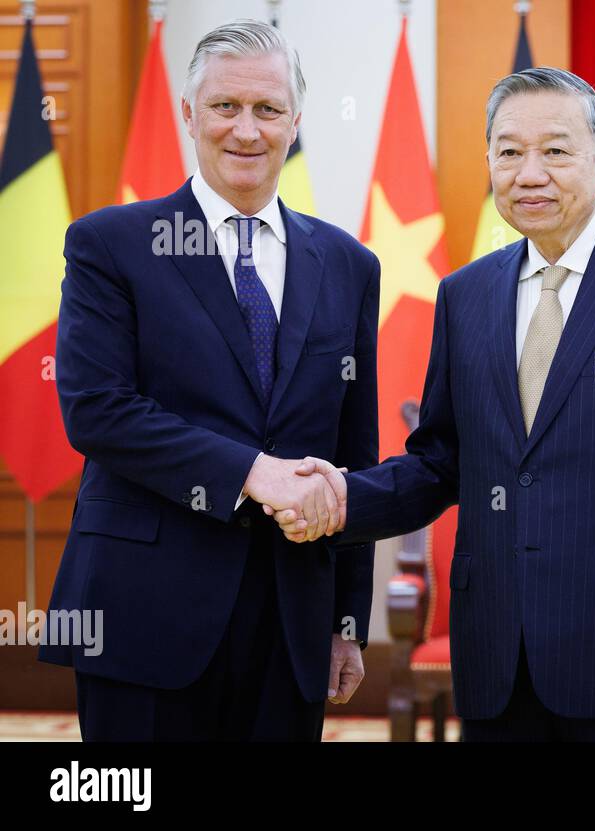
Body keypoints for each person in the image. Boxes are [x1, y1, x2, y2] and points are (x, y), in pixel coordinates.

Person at [279, 67, 595, 741]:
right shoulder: (465, 296)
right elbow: (441, 461)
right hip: (497, 662)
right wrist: (345, 497)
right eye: (508, 151)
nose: (529, 173)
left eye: (555, 150)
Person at [39, 19, 374, 741]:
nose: (246, 131)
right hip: (140, 617)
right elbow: (97, 411)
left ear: (296, 122)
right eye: (225, 107)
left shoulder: (350, 266)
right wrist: (255, 472)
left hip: (292, 625)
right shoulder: (110, 244)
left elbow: (356, 453)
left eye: (267, 110)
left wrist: (347, 623)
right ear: (189, 115)